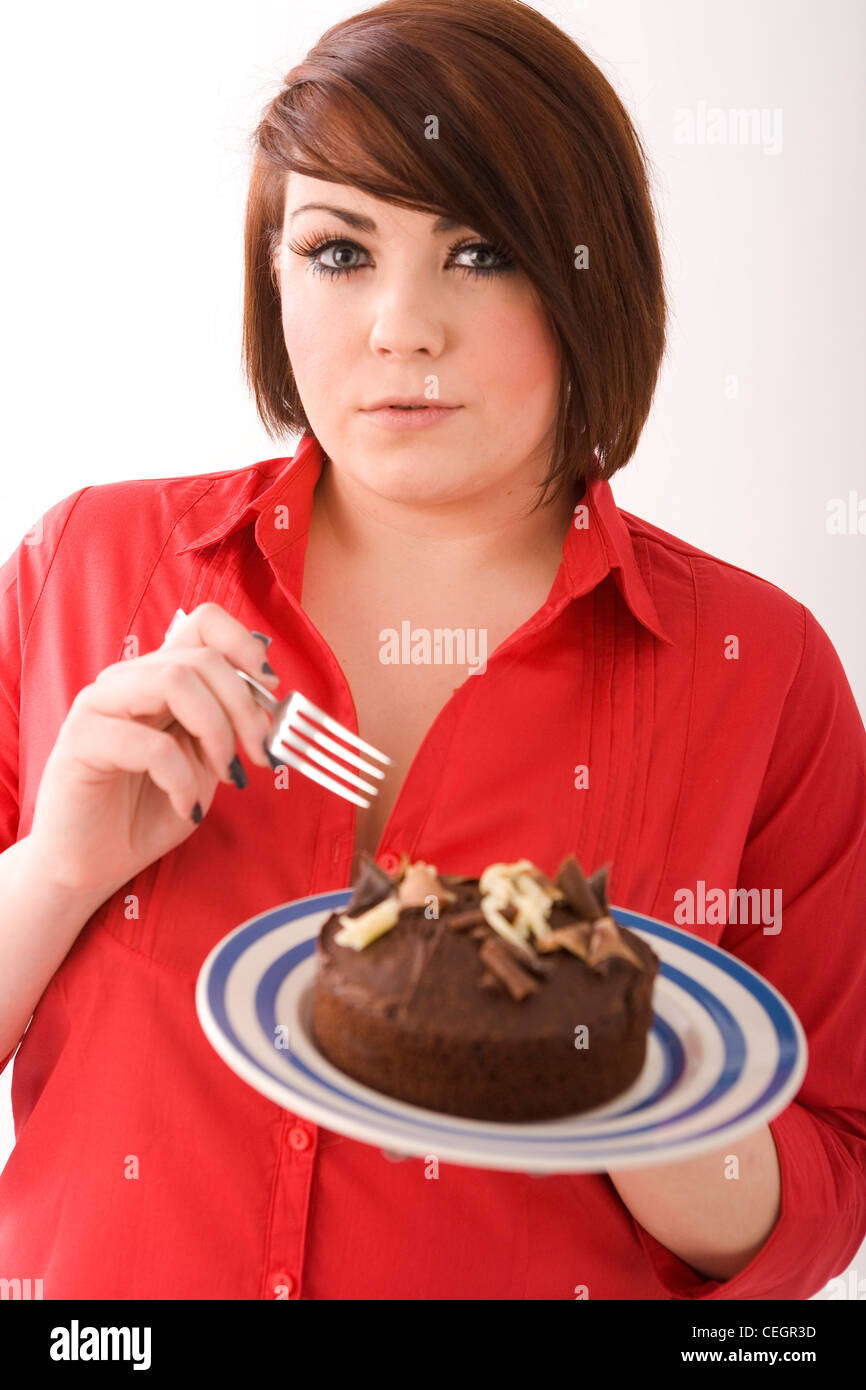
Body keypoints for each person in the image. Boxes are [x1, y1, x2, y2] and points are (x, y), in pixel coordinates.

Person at [0, 0, 864, 1301]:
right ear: (271, 278)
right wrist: (53, 872)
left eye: (477, 253)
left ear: (587, 276)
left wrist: (630, 1071)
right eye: (339, 250)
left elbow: (825, 1193)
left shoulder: (758, 668)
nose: (401, 326)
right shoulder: (86, 567)